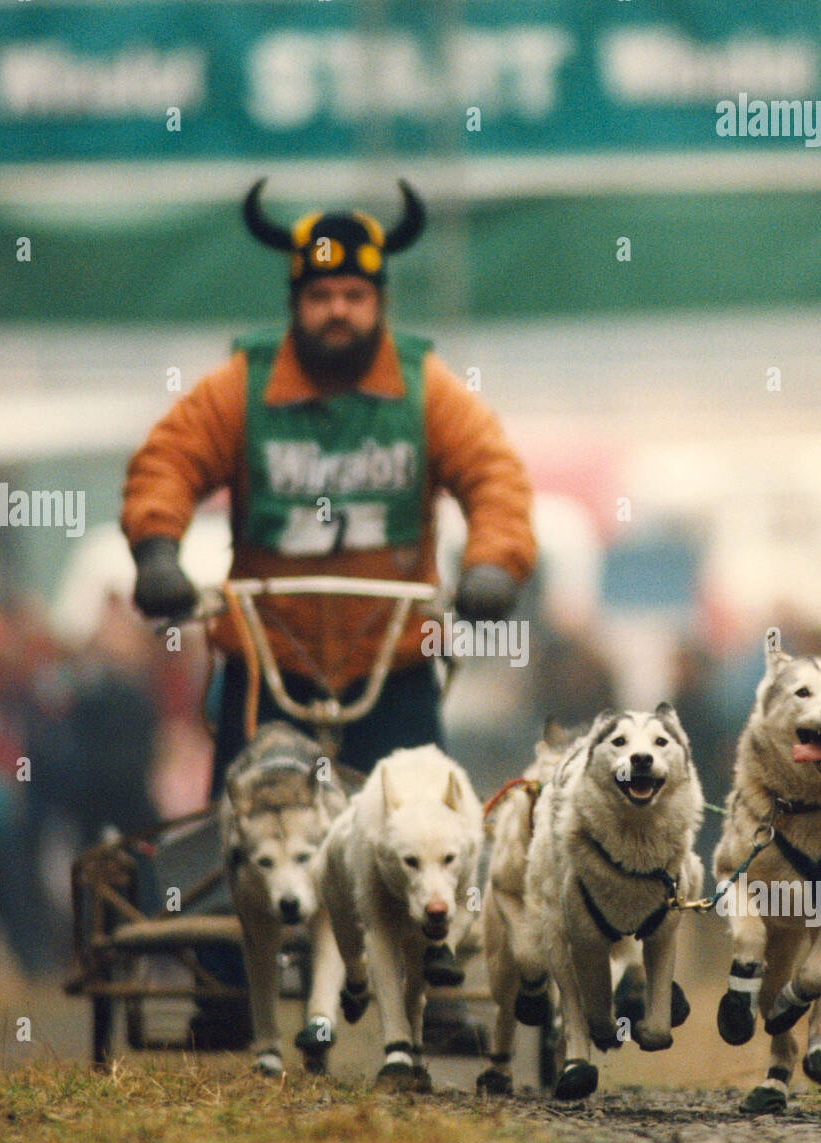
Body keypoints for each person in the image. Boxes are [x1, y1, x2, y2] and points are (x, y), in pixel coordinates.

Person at [122, 178, 538, 1048]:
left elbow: (496, 476)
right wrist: (158, 549)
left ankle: (439, 989)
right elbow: (168, 460)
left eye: (354, 294)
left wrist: (494, 564)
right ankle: (230, 994)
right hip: (267, 663)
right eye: (321, 295)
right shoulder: (243, 387)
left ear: (378, 299)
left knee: (432, 822)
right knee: (247, 823)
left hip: (392, 662)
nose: (338, 310)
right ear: (296, 303)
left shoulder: (428, 392)